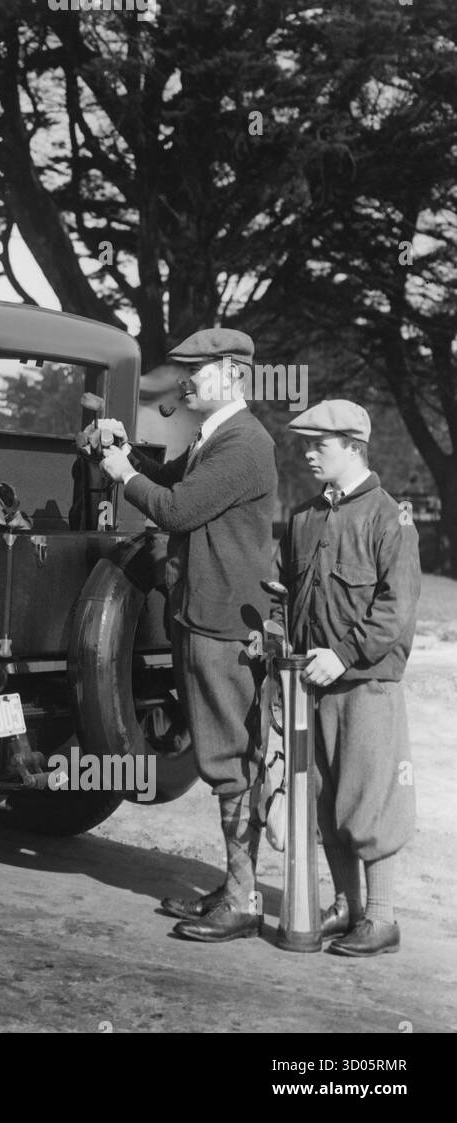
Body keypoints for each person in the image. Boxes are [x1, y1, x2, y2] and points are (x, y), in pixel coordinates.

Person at [97, 328, 277, 942]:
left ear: (231, 371)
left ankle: (245, 900)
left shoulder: (245, 444)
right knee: (223, 756)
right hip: (205, 615)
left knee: (230, 762)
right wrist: (125, 453)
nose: (185, 381)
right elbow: (169, 479)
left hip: (223, 624)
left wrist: (123, 476)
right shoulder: (217, 436)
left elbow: (175, 509)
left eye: (196, 371)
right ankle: (236, 887)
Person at [281, 400, 420, 956]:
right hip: (311, 684)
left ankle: (382, 919)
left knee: (371, 798)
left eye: (320, 445)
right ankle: (349, 907)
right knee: (323, 800)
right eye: (306, 445)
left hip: (366, 683)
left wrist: (343, 654)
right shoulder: (304, 517)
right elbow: (288, 594)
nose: (308, 454)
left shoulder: (391, 517)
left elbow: (396, 608)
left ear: (353, 448)